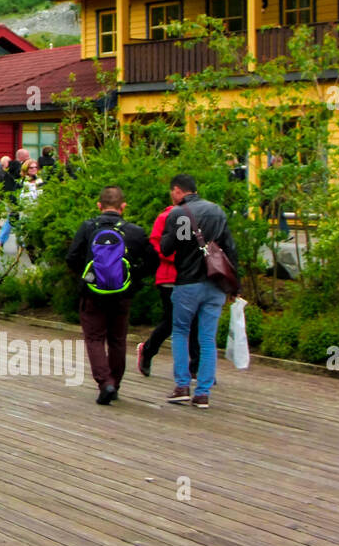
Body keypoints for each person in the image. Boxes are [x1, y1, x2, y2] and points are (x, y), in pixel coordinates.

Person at [66, 185, 158, 405]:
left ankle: (104, 382)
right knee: (118, 339)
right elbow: (153, 260)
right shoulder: (134, 231)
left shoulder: (88, 228)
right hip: (122, 293)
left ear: (99, 206)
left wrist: (88, 275)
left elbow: (72, 257)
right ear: (123, 206)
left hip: (93, 293)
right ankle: (114, 384)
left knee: (95, 338)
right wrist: (133, 277)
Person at [160, 173, 239, 409]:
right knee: (207, 338)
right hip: (215, 283)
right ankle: (203, 392)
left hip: (187, 282)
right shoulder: (217, 211)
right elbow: (230, 249)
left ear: (177, 190)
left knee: (181, 332)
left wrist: (171, 236)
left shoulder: (178, 214)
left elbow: (168, 248)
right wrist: (236, 285)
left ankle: (182, 385)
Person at [138, 201, 199, 380]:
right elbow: (156, 245)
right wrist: (180, 258)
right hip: (169, 277)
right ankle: (148, 350)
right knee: (172, 320)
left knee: (196, 320)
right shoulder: (165, 218)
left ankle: (196, 366)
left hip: (192, 278)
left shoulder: (197, 217)